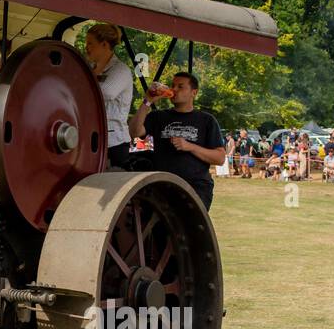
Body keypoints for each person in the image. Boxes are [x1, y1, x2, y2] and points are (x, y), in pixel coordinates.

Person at [129, 72, 227, 210]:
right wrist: (147, 100)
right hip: (158, 188)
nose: (174, 89)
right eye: (173, 85)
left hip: (195, 188)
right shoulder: (157, 116)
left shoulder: (206, 120)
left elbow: (220, 158)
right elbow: (134, 133)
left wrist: (190, 146)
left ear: (194, 92)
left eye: (180, 86)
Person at [84, 23, 135, 168]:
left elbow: (106, 92)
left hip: (114, 144)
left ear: (105, 44)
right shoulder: (91, 69)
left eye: (90, 43)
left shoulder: (120, 70)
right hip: (92, 138)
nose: (86, 47)